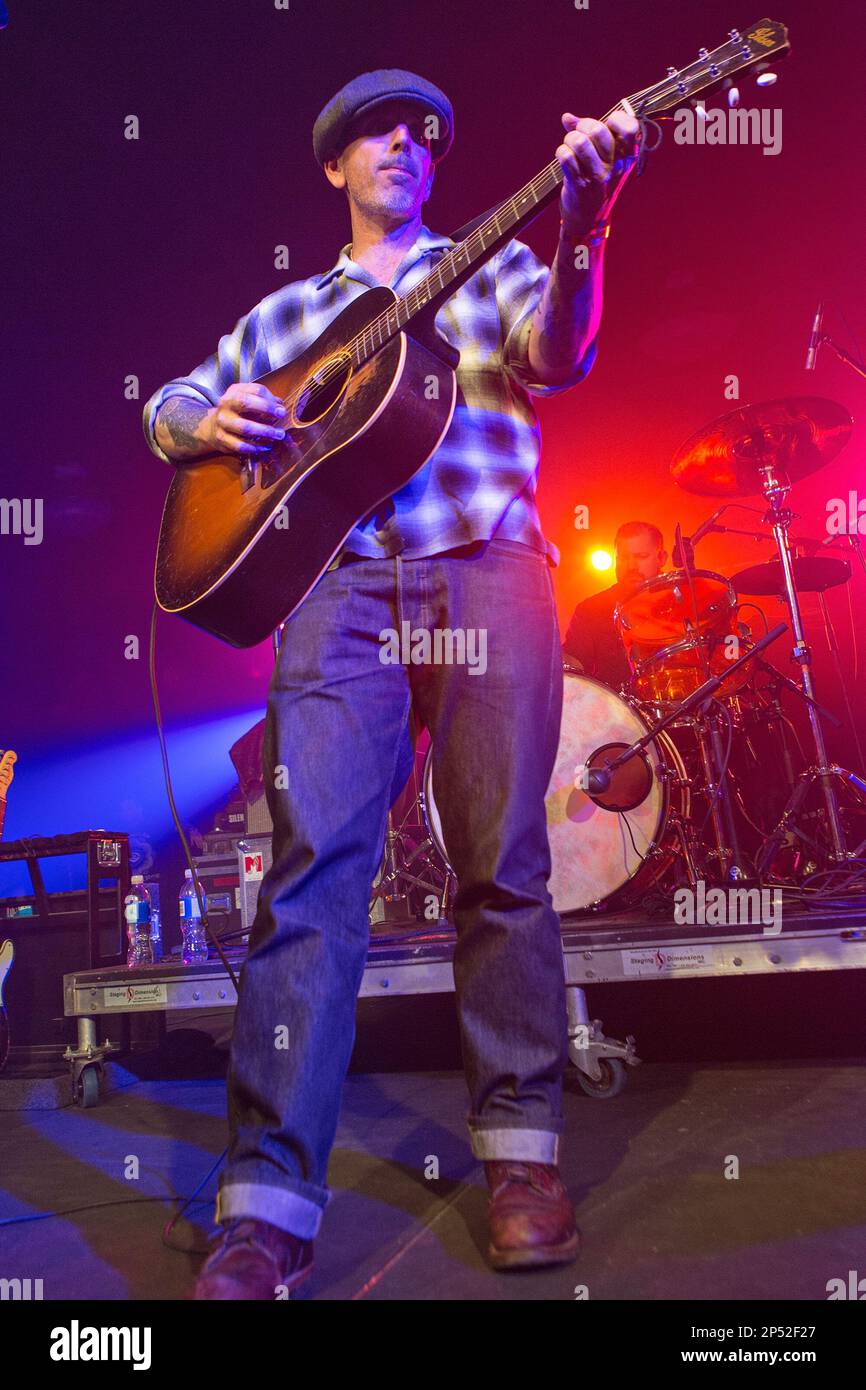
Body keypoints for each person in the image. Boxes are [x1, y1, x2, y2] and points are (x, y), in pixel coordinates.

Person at [143, 68, 639, 1298]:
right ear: (334, 167)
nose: (399, 147)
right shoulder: (284, 314)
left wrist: (584, 223)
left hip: (485, 566)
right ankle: (263, 1204)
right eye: (371, 134)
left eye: (418, 134)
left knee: (503, 864)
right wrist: (209, 426)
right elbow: (168, 407)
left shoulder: (491, 260)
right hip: (339, 591)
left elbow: (559, 351)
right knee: (309, 880)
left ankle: (520, 1159)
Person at [563, 520, 667, 689]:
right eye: (623, 557)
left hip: (681, 705)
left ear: (662, 558)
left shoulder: (685, 600)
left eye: (641, 556)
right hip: (617, 711)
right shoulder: (591, 609)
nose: (631, 566)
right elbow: (575, 664)